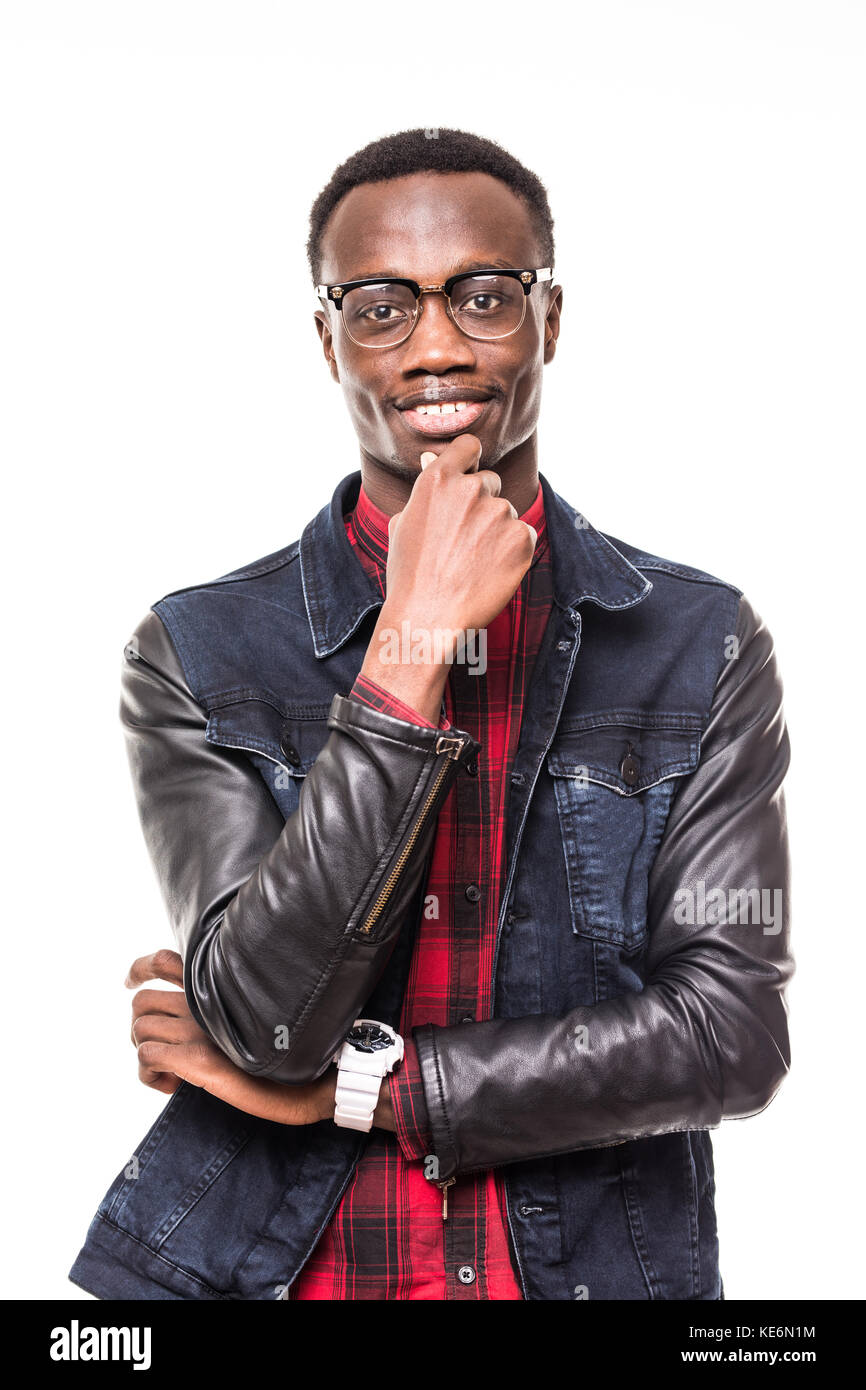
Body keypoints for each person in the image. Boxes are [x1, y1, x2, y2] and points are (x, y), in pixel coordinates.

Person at [69, 128, 792, 1301]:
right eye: (381, 306)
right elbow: (264, 1025)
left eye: (485, 297)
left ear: (549, 320)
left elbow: (729, 1033)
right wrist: (404, 652)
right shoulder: (197, 653)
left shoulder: (694, 644)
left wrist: (369, 1088)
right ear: (328, 339)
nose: (438, 344)